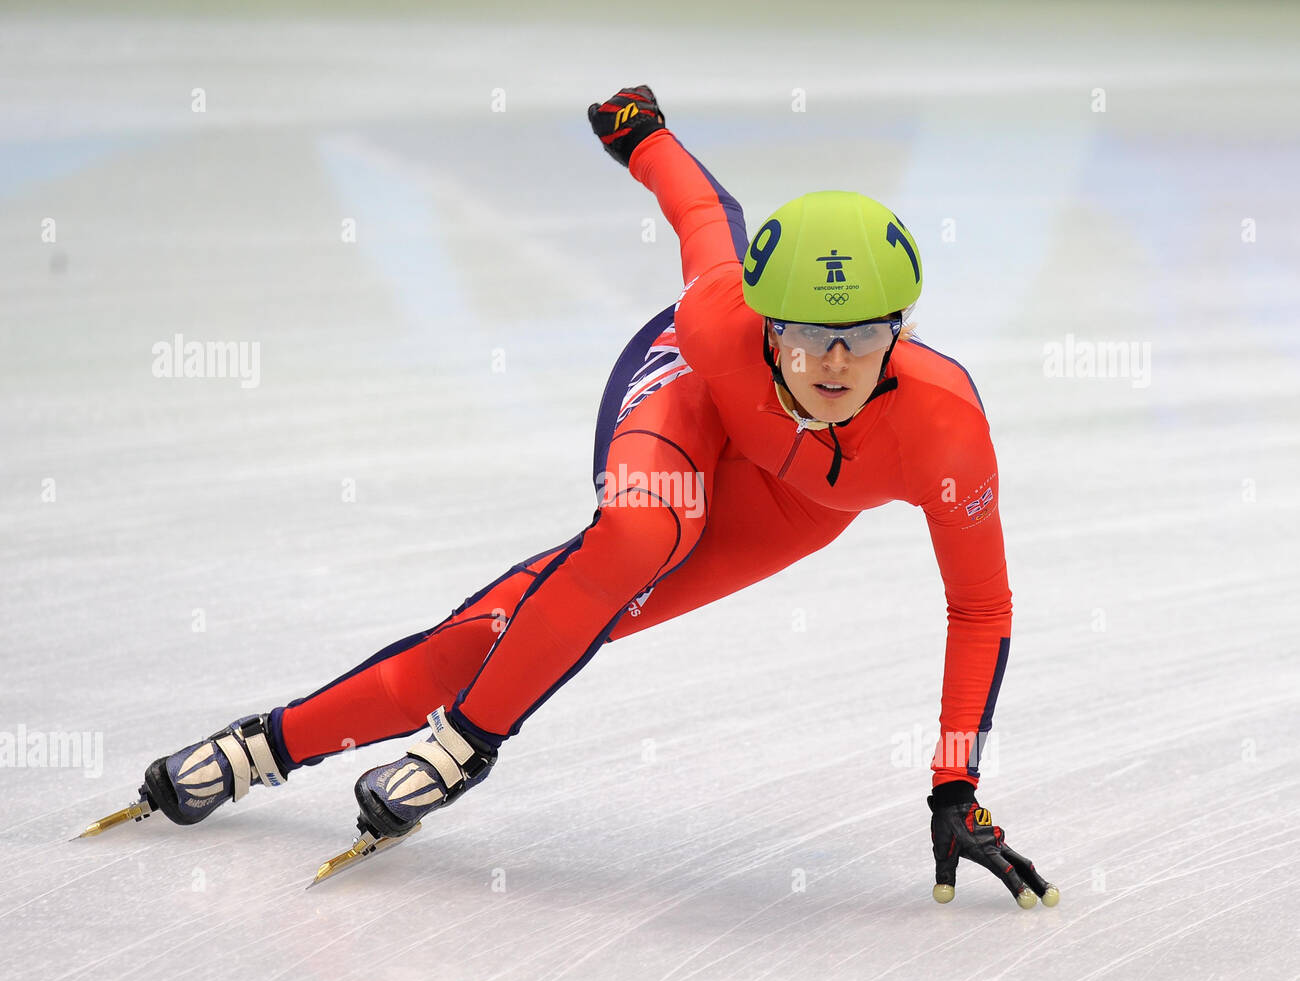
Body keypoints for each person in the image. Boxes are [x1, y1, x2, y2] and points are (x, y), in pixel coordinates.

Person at [92, 86, 1056, 908]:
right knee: (643, 534)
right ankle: (465, 743)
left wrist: (954, 784)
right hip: (688, 402)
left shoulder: (946, 431)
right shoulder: (720, 320)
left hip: (794, 508)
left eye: (864, 333)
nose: (834, 360)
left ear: (904, 328)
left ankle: (261, 747)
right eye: (806, 329)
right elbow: (705, 218)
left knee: (497, 638)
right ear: (765, 318)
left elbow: (980, 608)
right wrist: (643, 134)